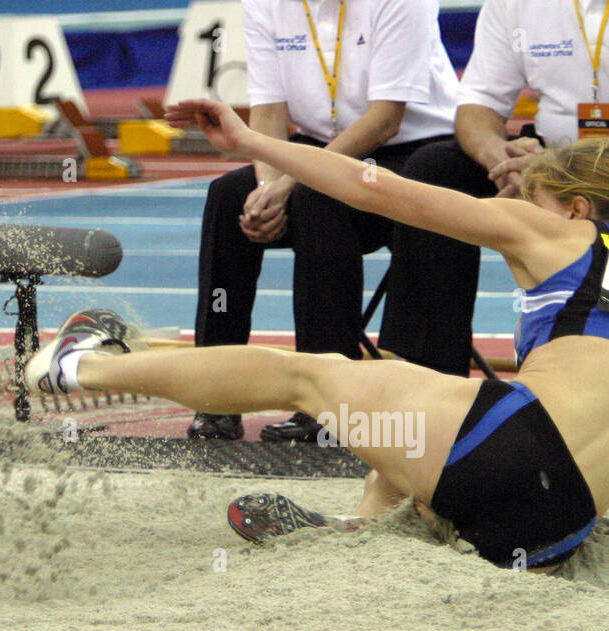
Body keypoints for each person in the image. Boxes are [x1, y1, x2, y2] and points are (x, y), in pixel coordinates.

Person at [27, 98, 609, 570]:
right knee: (421, 401)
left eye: (531, 196)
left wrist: (256, 147)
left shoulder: (558, 238)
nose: (519, 208)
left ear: (576, 209)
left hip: (505, 457)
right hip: (549, 535)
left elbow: (379, 188)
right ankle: (363, 531)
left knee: (317, 374)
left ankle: (82, 371)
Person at [377, 0, 609, 380]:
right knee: (435, 167)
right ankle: (431, 372)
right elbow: (477, 105)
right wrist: (504, 160)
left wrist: (563, 168)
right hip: (556, 157)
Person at [188, 0, 457, 442]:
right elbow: (269, 113)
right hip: (316, 152)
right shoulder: (265, 6)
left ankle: (329, 401)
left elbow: (384, 119)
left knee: (319, 197)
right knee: (228, 197)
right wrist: (265, 191)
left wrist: (289, 183)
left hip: (412, 154)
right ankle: (218, 392)